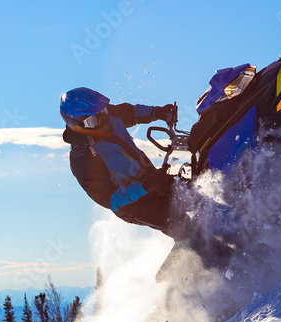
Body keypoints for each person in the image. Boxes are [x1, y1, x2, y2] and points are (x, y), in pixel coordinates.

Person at [60, 87, 188, 238]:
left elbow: (131, 112)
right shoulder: (82, 159)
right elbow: (109, 198)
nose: (102, 119)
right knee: (182, 225)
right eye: (93, 120)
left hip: (153, 178)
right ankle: (205, 252)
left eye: (103, 112)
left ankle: (219, 221)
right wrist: (146, 186)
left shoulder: (106, 116)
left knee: (195, 193)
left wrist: (158, 112)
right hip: (134, 205)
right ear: (75, 125)